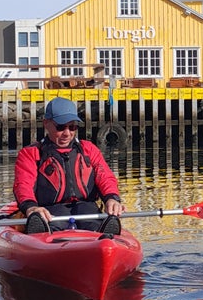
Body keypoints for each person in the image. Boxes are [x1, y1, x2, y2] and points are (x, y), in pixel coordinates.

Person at [13, 97, 125, 234]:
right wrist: (30, 207)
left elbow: (105, 177)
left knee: (92, 221)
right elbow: (23, 184)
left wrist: (112, 198)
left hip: (86, 209)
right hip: (50, 212)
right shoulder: (31, 154)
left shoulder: (89, 150)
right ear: (46, 123)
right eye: (60, 127)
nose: (67, 133)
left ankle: (105, 233)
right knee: (52, 222)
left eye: (72, 127)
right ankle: (42, 232)